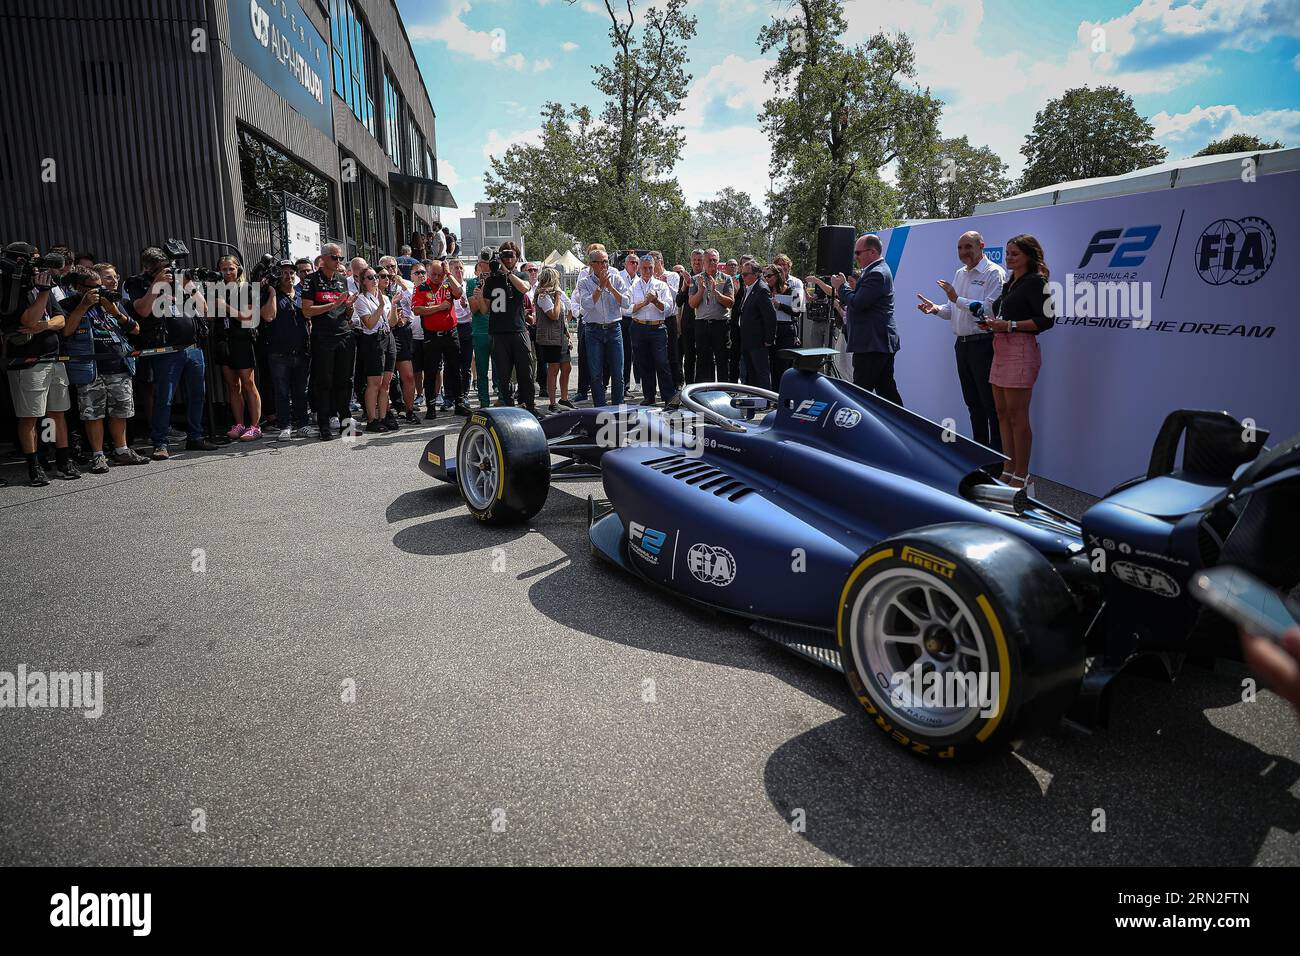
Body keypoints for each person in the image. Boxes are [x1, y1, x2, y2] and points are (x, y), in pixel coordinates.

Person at [973, 234, 1054, 489]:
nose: (1009, 258)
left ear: (1029, 256)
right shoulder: (1010, 283)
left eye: (1014, 254)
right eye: (1007, 253)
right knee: (1002, 414)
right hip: (1001, 350)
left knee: (1018, 417)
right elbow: (1001, 314)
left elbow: (1047, 320)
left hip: (1021, 350)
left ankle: (1022, 474)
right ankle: (1008, 468)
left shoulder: (1037, 282)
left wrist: (1010, 325)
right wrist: (991, 324)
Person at [915, 231, 1006, 450]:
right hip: (962, 346)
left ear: (981, 246)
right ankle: (980, 453)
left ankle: (996, 459)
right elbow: (952, 309)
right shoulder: (960, 273)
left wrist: (957, 299)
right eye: (960, 248)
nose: (963, 252)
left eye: (968, 247)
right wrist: (936, 309)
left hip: (984, 345)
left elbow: (990, 310)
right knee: (973, 404)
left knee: (990, 405)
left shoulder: (994, 273)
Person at [127, 246, 217, 459]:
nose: (167, 272)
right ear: (148, 268)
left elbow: (205, 310)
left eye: (168, 267)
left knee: (197, 396)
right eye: (161, 269)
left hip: (193, 349)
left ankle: (195, 437)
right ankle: (160, 442)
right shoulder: (137, 283)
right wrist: (157, 284)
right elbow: (142, 310)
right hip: (165, 350)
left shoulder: (180, 282)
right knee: (164, 398)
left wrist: (189, 286)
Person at [60, 265, 147, 473]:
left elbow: (135, 329)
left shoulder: (112, 301)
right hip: (89, 367)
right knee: (93, 414)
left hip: (118, 364)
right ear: (80, 288)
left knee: (120, 410)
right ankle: (98, 455)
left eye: (100, 287)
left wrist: (115, 312)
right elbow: (66, 331)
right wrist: (83, 306)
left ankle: (122, 450)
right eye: (94, 288)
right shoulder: (69, 303)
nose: (99, 292)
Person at [2, 245, 73, 485]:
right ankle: (34, 465)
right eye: (34, 260)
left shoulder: (45, 288)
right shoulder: (13, 290)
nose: (40, 266)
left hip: (53, 358)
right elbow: (28, 319)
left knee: (56, 413)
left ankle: (60, 459)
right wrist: (42, 293)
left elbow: (61, 319)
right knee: (30, 416)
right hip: (28, 363)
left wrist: (44, 325)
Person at [832, 234, 901, 405]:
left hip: (873, 344)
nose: (855, 257)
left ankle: (854, 429)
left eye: (858, 253)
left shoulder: (877, 273)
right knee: (886, 391)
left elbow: (858, 302)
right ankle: (903, 428)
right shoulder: (874, 271)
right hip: (875, 343)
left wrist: (841, 286)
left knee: (861, 393)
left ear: (872, 252)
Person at [301, 243, 358, 441]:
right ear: (323, 258)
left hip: (344, 335)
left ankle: (346, 425)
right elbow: (306, 310)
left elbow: (346, 312)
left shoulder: (342, 280)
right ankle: (324, 426)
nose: (338, 261)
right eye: (335, 258)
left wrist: (348, 306)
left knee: (344, 381)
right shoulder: (311, 280)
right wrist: (332, 305)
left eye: (340, 258)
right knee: (323, 382)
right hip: (323, 338)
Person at [211, 255, 262, 441]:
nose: (227, 272)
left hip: (242, 339)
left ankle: (255, 426)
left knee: (248, 383)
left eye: (230, 268)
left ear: (238, 269)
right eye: (223, 269)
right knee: (232, 385)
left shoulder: (246, 288)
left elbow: (248, 316)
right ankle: (239, 424)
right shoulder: (216, 289)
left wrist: (225, 307)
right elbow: (210, 316)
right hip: (223, 340)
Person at [258, 261, 312, 440]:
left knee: (300, 391)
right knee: (281, 391)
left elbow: (309, 316)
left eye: (291, 272)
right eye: (284, 273)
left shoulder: (301, 293)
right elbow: (268, 316)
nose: (288, 276)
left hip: (301, 350)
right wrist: (273, 291)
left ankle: (303, 424)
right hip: (278, 352)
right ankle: (285, 425)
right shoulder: (270, 294)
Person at [483, 241, 538, 414]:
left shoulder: (521, 275)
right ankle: (508, 407)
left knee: (525, 372)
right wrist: (480, 293)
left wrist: (507, 273)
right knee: (503, 374)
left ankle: (529, 405)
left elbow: (524, 288)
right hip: (498, 332)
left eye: (511, 255)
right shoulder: (491, 279)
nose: (507, 259)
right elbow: (484, 309)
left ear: (517, 257)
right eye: (504, 255)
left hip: (518, 329)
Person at [413, 260, 470, 418]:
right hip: (432, 335)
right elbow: (417, 310)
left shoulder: (447, 284)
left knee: (455, 370)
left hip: (451, 333)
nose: (437, 277)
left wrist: (449, 274)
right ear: (429, 272)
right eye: (434, 274)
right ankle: (431, 407)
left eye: (440, 274)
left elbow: (458, 292)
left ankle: (458, 403)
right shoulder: (421, 288)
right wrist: (438, 307)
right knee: (431, 372)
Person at [575, 245, 630, 407]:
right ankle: (600, 408)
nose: (605, 266)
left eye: (606, 262)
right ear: (592, 264)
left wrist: (610, 287)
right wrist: (600, 287)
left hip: (614, 329)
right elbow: (586, 304)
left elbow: (626, 303)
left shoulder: (616, 279)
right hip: (593, 330)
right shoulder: (584, 282)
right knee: (596, 373)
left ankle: (618, 408)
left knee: (617, 372)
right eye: (601, 262)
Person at [354, 267, 399, 432]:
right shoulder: (361, 299)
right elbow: (370, 323)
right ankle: (372, 419)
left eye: (376, 276)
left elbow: (391, 322)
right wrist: (380, 305)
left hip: (388, 337)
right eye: (370, 277)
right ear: (363, 281)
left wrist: (392, 305)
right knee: (374, 382)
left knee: (386, 382)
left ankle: (383, 416)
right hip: (373, 340)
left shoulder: (385, 297)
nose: (375, 279)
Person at [629, 254, 675, 406]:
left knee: (662, 362)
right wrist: (644, 303)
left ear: (654, 268)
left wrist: (655, 301)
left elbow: (669, 309)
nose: (647, 271)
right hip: (639, 326)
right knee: (643, 362)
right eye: (644, 268)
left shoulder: (661, 286)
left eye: (650, 268)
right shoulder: (634, 286)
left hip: (657, 327)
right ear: (639, 268)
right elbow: (627, 308)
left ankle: (668, 397)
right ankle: (649, 396)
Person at [688, 249, 734, 383]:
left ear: (718, 261)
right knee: (703, 360)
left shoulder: (726, 279)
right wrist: (701, 291)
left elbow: (730, 303)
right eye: (709, 260)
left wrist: (716, 293)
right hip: (702, 324)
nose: (712, 263)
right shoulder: (695, 279)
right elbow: (692, 304)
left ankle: (724, 390)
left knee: (722, 360)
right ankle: (704, 393)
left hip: (720, 325)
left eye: (715, 260)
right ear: (704, 262)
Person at [534, 268, 574, 412]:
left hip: (561, 336)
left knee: (567, 367)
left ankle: (564, 399)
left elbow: (568, 312)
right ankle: (552, 403)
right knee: (554, 369)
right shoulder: (542, 297)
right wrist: (557, 297)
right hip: (550, 338)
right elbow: (554, 315)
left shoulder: (558, 293)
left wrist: (566, 330)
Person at [737, 261, 778, 390]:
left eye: (745, 275)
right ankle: (755, 401)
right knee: (751, 372)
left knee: (761, 372)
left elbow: (770, 317)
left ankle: (765, 401)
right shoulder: (749, 288)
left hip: (758, 340)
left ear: (755, 275)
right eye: (741, 275)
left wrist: (768, 339)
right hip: (748, 339)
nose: (742, 278)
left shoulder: (761, 289)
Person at [466, 258, 493, 408]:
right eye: (483, 262)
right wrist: (481, 291)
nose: (486, 265)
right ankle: (484, 402)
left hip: (497, 330)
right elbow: (474, 308)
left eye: (489, 262)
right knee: (482, 369)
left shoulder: (497, 281)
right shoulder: (472, 283)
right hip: (480, 330)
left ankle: (502, 398)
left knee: (500, 368)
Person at [449, 258, 474, 403]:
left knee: (466, 364)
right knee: (452, 364)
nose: (459, 271)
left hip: (467, 326)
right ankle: (451, 395)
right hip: (452, 327)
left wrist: (467, 305)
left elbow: (475, 310)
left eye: (460, 268)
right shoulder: (447, 286)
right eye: (455, 269)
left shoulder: (468, 286)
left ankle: (464, 394)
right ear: (450, 272)